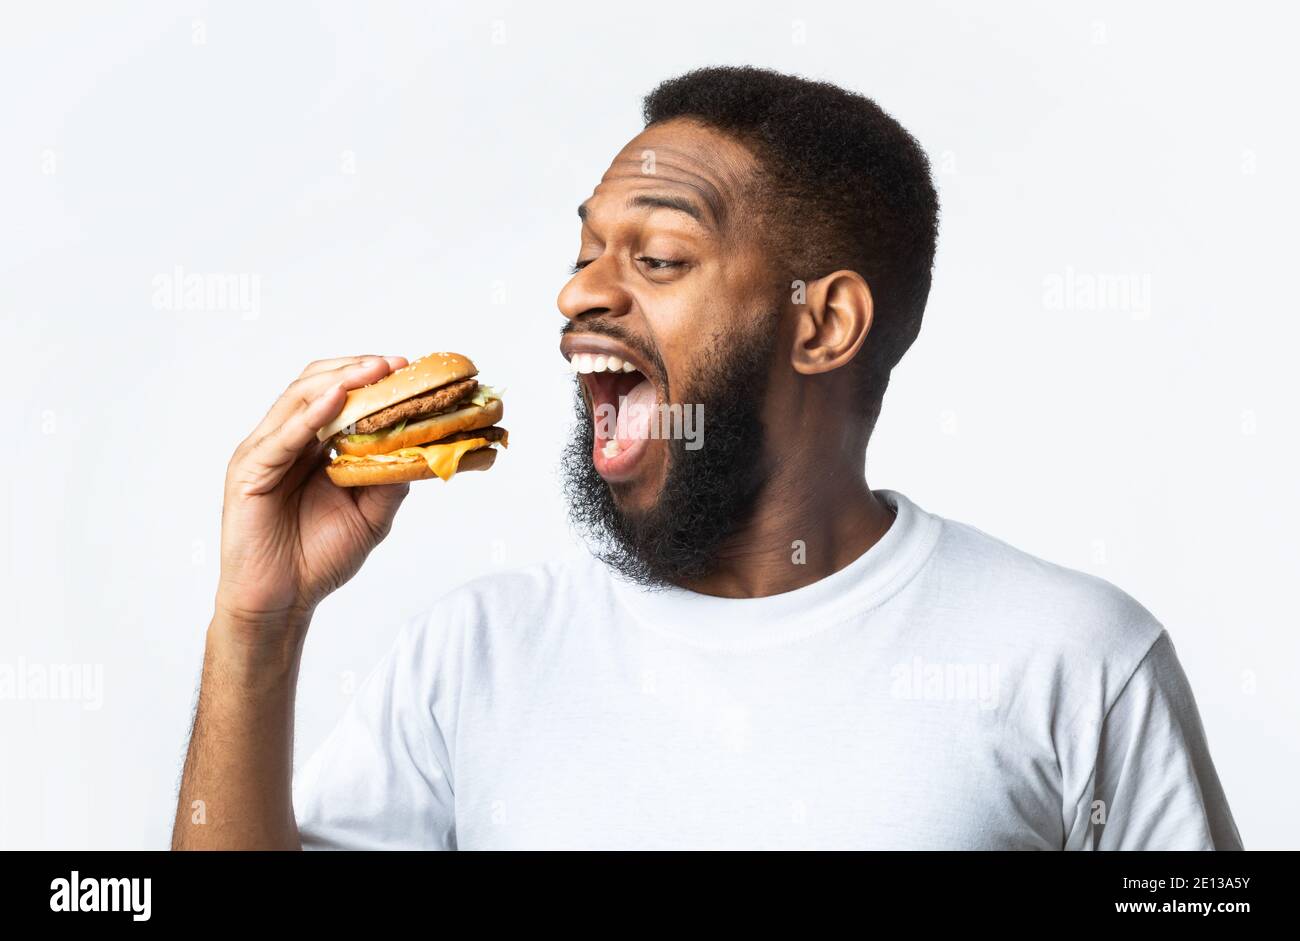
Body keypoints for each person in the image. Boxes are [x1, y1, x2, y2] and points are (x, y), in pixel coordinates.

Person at [172, 66, 1241, 850]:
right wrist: (257, 622)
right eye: (586, 249)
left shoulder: (1076, 657)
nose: (579, 293)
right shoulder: (475, 655)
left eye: (660, 257)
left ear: (822, 325)